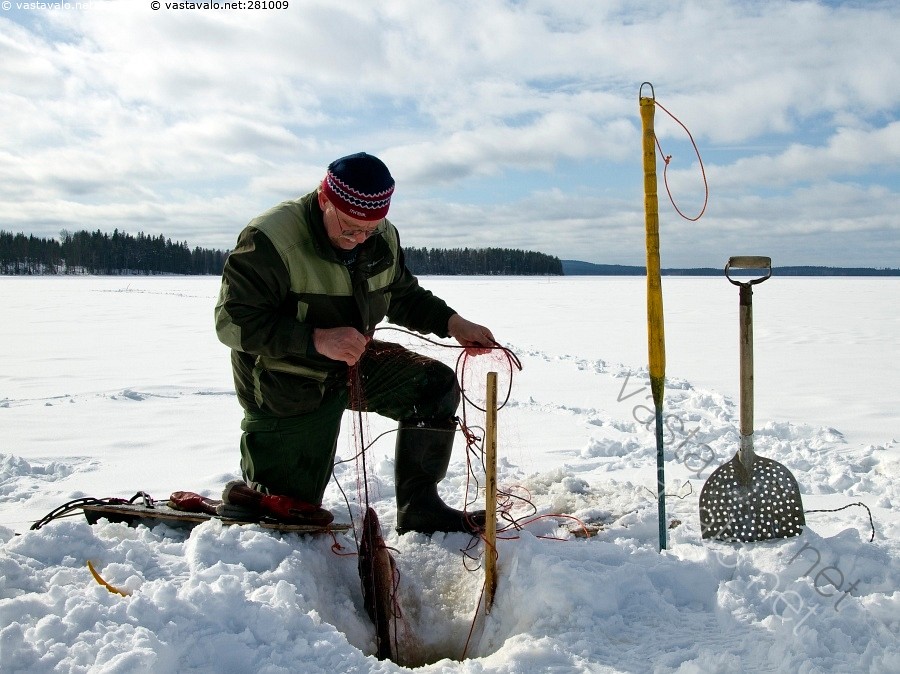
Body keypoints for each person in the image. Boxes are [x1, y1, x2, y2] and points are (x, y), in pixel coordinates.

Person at [214, 152, 495, 534]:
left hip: (353, 363)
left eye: (369, 229)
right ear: (324, 198)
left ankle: (420, 508)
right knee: (288, 512)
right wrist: (317, 339)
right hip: (284, 379)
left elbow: (401, 294)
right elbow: (232, 322)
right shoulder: (270, 239)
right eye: (348, 229)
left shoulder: (381, 235)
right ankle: (264, 490)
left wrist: (453, 323)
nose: (359, 239)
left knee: (433, 386)